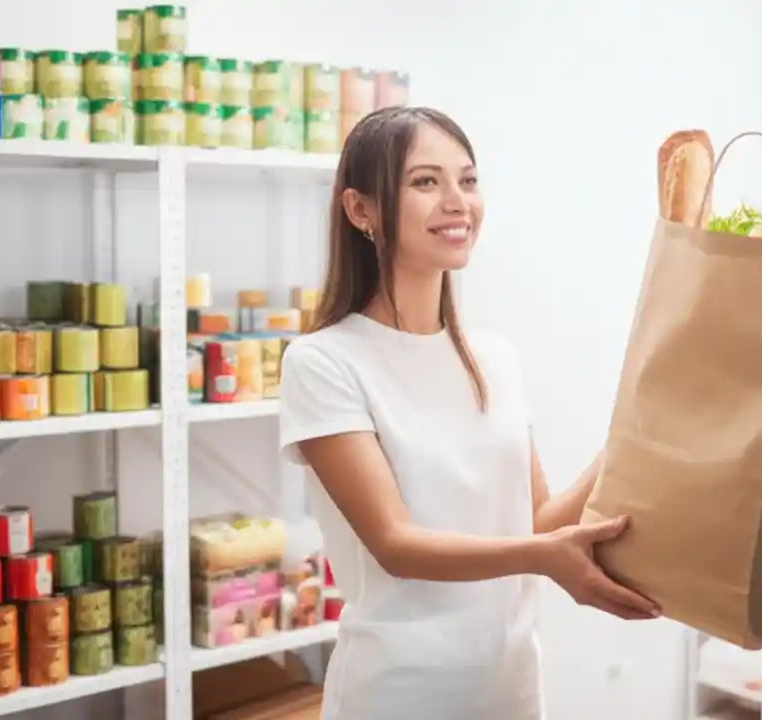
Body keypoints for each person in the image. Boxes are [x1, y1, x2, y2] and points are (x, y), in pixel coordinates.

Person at [277, 106, 659, 720]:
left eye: (469, 180)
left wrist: (637, 433)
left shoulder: (494, 358)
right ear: (361, 210)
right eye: (426, 182)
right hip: (398, 693)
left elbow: (537, 521)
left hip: (510, 687)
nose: (458, 202)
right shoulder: (324, 362)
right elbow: (396, 545)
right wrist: (544, 557)